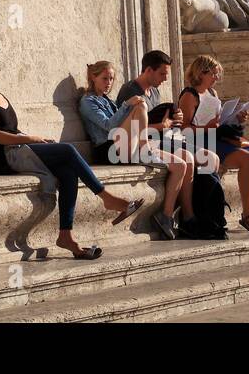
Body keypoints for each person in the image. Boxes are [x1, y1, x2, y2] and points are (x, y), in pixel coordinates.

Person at [0, 47, 143, 260]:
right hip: (5, 155)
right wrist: (30, 138)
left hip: (20, 148)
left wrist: (34, 139)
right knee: (68, 149)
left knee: (68, 172)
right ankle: (107, 198)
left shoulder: (1, 96)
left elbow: (11, 130)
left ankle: (65, 236)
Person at [80, 57, 195, 241]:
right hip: (108, 150)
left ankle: (165, 216)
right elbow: (108, 126)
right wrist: (127, 105)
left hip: (127, 144)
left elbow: (122, 123)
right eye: (105, 78)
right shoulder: (88, 102)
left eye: (111, 79)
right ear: (93, 78)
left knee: (180, 164)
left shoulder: (107, 101)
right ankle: (145, 149)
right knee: (140, 104)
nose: (109, 83)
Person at [177, 54, 249, 233]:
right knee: (248, 160)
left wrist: (237, 118)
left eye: (217, 74)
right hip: (201, 140)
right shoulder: (189, 95)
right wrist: (208, 128)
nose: (216, 78)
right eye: (213, 74)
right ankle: (247, 214)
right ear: (201, 73)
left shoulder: (212, 93)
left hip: (218, 136)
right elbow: (184, 130)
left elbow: (219, 121)